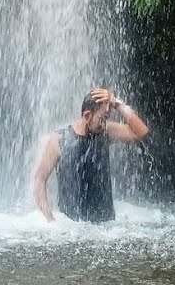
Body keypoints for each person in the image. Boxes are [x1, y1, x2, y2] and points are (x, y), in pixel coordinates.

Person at [32, 87, 150, 222]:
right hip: (72, 228)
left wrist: (117, 103)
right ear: (88, 116)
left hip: (106, 226)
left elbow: (142, 133)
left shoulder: (106, 132)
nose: (104, 123)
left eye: (106, 118)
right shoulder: (59, 140)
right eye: (102, 118)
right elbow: (39, 180)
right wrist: (50, 219)